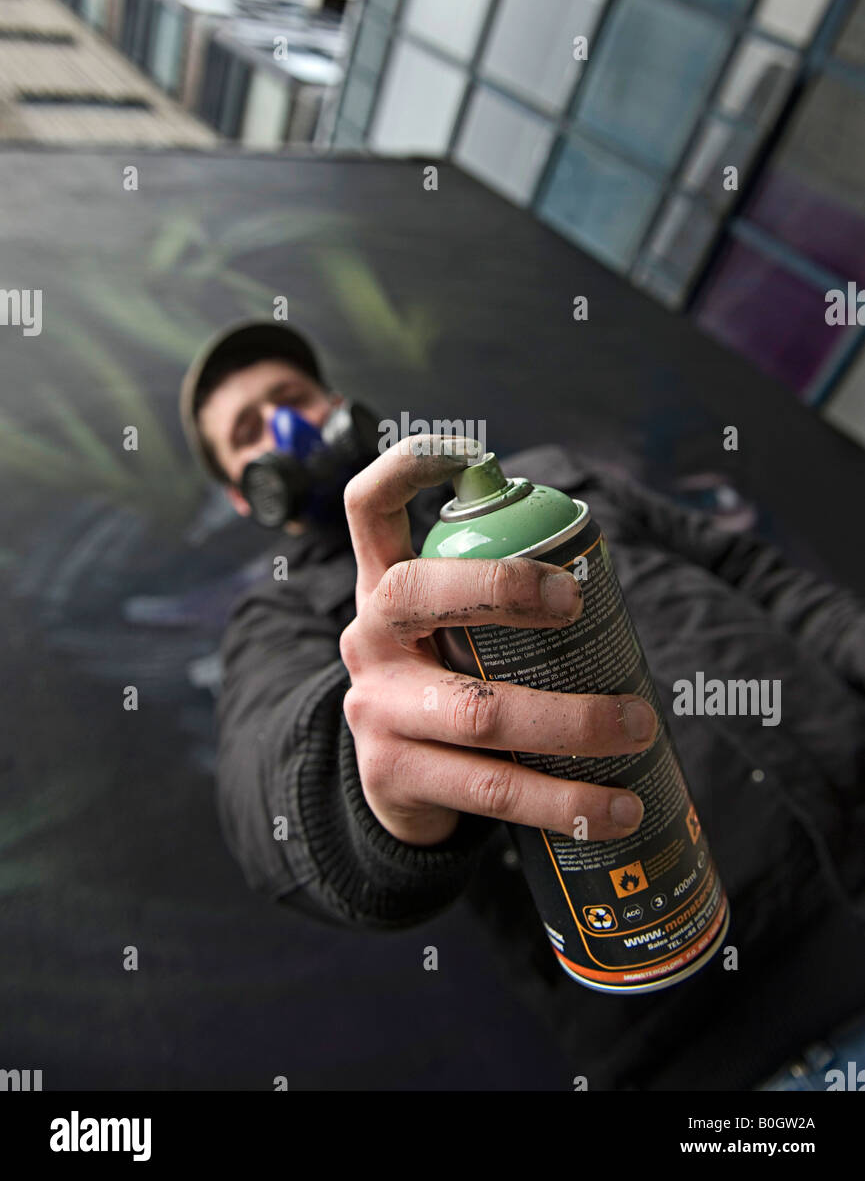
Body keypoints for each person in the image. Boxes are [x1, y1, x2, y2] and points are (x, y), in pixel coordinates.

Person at [179, 319, 865, 1092]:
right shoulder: (281, 621)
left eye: (291, 397)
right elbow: (263, 790)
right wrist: (369, 787)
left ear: (339, 403)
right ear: (245, 496)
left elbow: (751, 575)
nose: (284, 426)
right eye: (248, 430)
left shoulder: (551, 480)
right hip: (730, 1045)